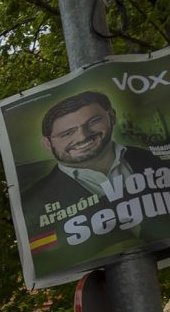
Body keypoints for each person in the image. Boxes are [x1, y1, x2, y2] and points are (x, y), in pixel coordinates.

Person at [16, 90, 170, 245]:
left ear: (112, 116)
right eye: (67, 133)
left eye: (93, 122)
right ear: (48, 143)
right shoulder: (32, 206)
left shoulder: (159, 162)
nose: (83, 136)